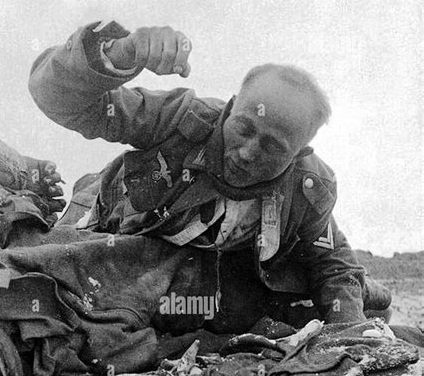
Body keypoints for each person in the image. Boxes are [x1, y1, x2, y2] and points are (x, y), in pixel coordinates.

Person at [28, 20, 391, 326]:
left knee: (357, 302)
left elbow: (333, 263)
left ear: (298, 155)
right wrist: (125, 53)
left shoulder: (309, 185)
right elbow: (59, 99)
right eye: (244, 128)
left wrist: (349, 331)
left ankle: (375, 293)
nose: (248, 153)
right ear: (230, 109)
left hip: (216, 279)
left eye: (273, 147)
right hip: (114, 225)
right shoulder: (179, 120)